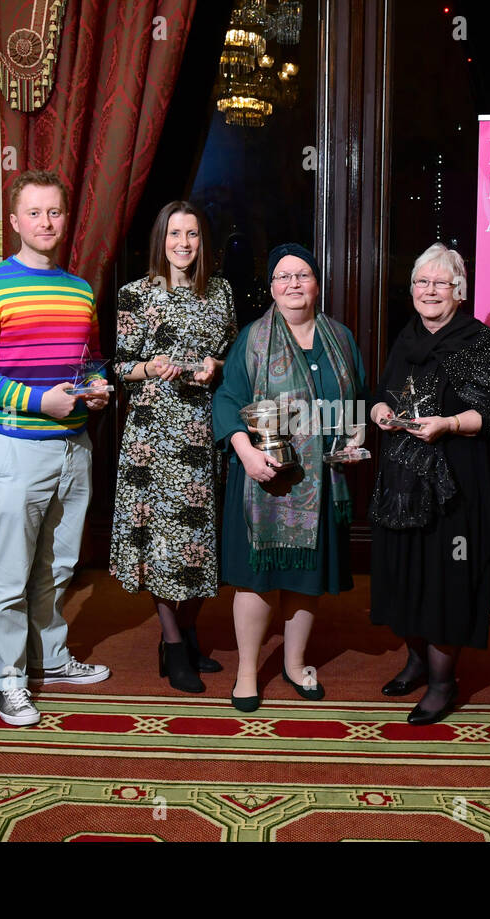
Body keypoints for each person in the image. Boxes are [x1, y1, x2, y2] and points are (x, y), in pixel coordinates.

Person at [0, 169, 113, 728]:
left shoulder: (79, 288)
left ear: (65, 219)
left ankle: (51, 657)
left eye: (55, 213)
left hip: (74, 447)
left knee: (61, 563)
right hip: (17, 447)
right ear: (16, 221)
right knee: (10, 571)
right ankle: (6, 679)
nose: (46, 223)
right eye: (35, 213)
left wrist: (96, 387)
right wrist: (34, 402)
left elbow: (86, 360)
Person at [212, 243, 368, 712]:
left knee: (304, 579)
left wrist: (354, 437)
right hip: (264, 478)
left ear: (317, 283)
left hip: (320, 482)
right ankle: (246, 671)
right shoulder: (252, 340)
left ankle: (296, 663)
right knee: (258, 579)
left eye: (302, 275)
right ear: (272, 288)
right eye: (283, 277)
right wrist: (246, 454)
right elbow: (226, 401)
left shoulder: (339, 337)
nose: (293, 284)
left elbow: (355, 399)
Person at [369, 243, 490, 725]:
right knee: (406, 571)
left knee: (445, 578)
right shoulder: (407, 336)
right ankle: (415, 660)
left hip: (456, 484)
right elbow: (384, 394)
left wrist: (448, 424)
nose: (430, 291)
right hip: (403, 481)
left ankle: (442, 683)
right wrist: (380, 413)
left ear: (460, 290)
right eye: (421, 282)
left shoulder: (477, 339)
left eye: (441, 283)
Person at [110, 201, 236, 693]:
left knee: (199, 539)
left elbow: (230, 358)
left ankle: (187, 632)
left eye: (193, 235)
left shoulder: (220, 292)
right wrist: (150, 365)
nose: (184, 244)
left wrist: (217, 368)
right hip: (153, 434)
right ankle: (173, 645)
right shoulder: (135, 295)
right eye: (175, 234)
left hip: (202, 430)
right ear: (160, 239)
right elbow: (118, 367)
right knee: (162, 542)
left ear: (204, 242)